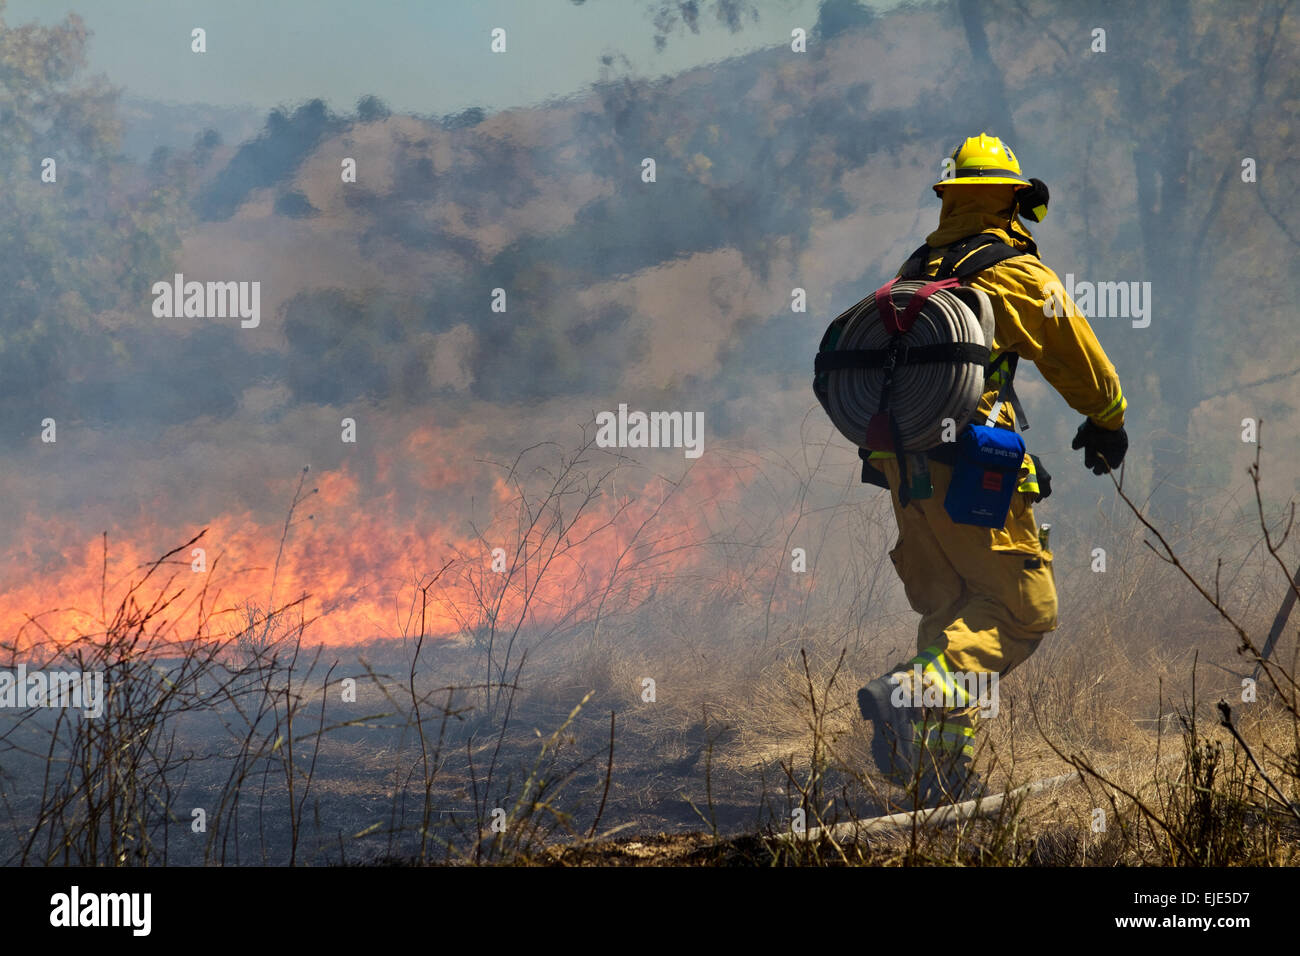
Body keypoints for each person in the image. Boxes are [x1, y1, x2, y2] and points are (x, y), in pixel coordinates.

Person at [855, 133, 1129, 804]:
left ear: (948, 198)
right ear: (1011, 198)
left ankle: (942, 774)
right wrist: (1107, 418)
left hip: (903, 467)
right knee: (1021, 610)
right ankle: (905, 696)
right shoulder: (1012, 269)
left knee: (956, 613)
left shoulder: (919, 268)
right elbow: (1076, 355)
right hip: (968, 469)